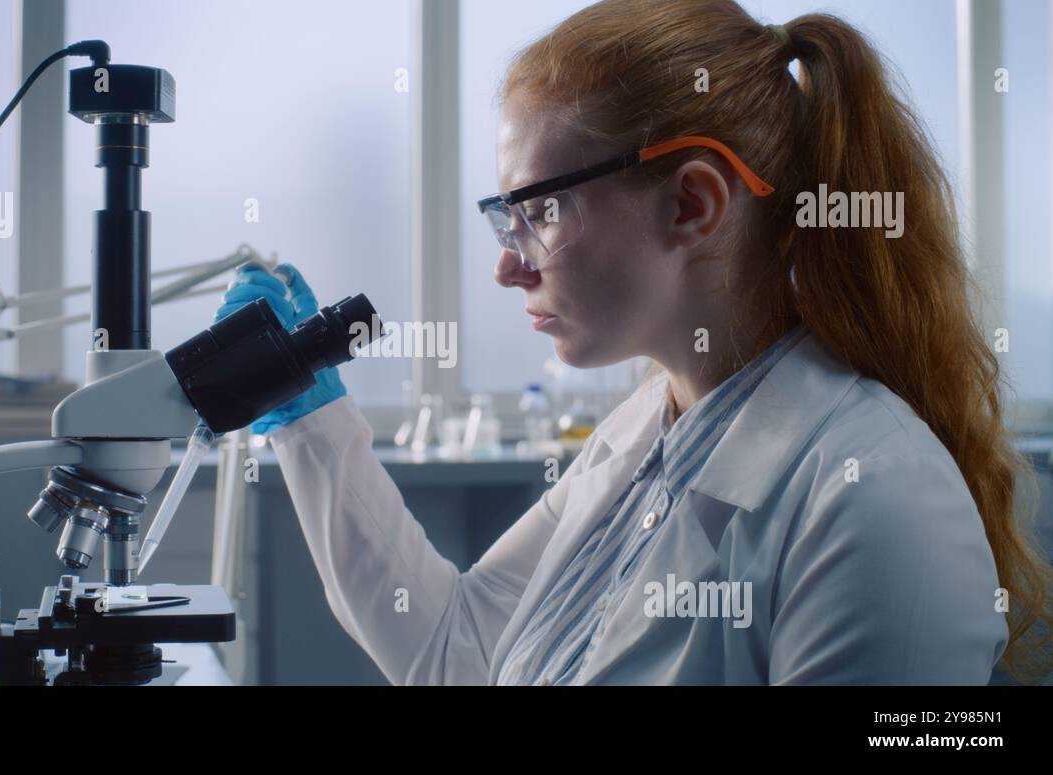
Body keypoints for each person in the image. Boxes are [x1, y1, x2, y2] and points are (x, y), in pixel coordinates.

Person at [213, 0, 1052, 685]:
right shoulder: (646, 432)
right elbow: (456, 653)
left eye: (537, 212)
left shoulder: (874, 499)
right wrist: (310, 421)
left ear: (692, 204)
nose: (508, 266)